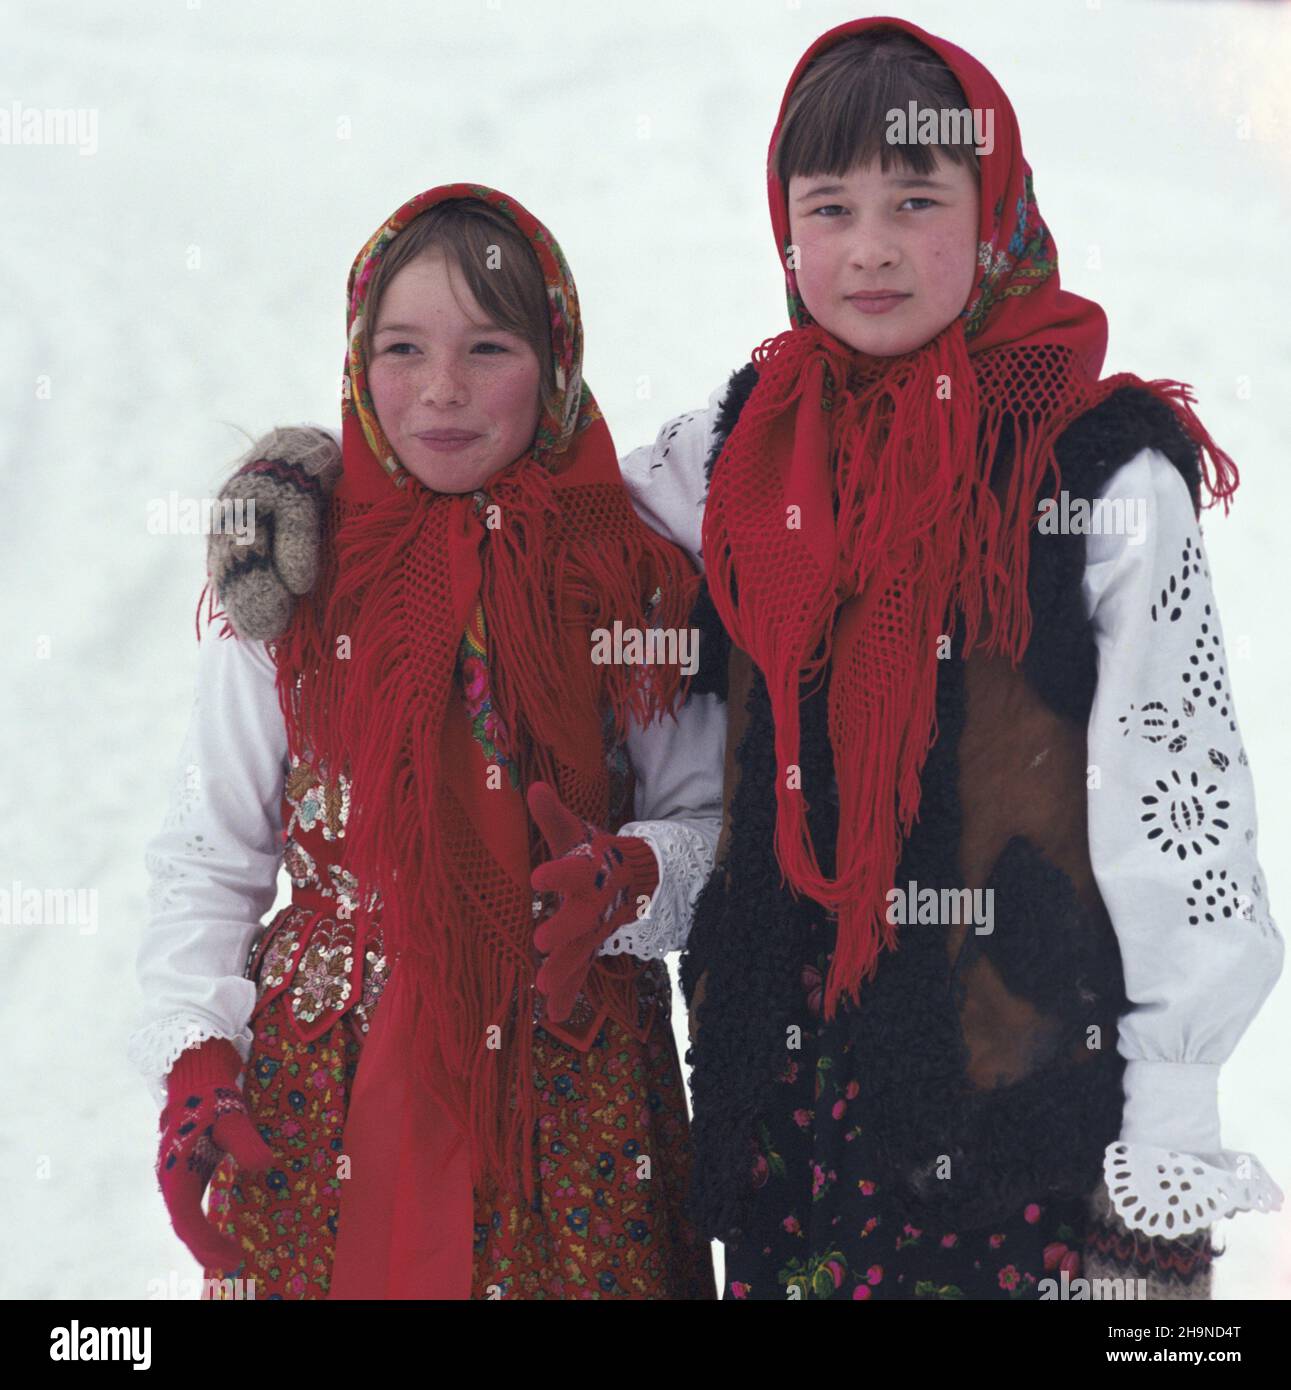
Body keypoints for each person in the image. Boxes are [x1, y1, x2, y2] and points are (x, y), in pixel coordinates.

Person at [128, 183, 723, 1300]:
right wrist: (196, 1055)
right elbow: (208, 855)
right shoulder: (295, 579)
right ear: (358, 363)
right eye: (401, 348)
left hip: (570, 1097)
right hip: (326, 1104)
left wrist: (634, 875)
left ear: (553, 363)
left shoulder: (625, 570)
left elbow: (704, 819)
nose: (440, 389)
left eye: (488, 345)